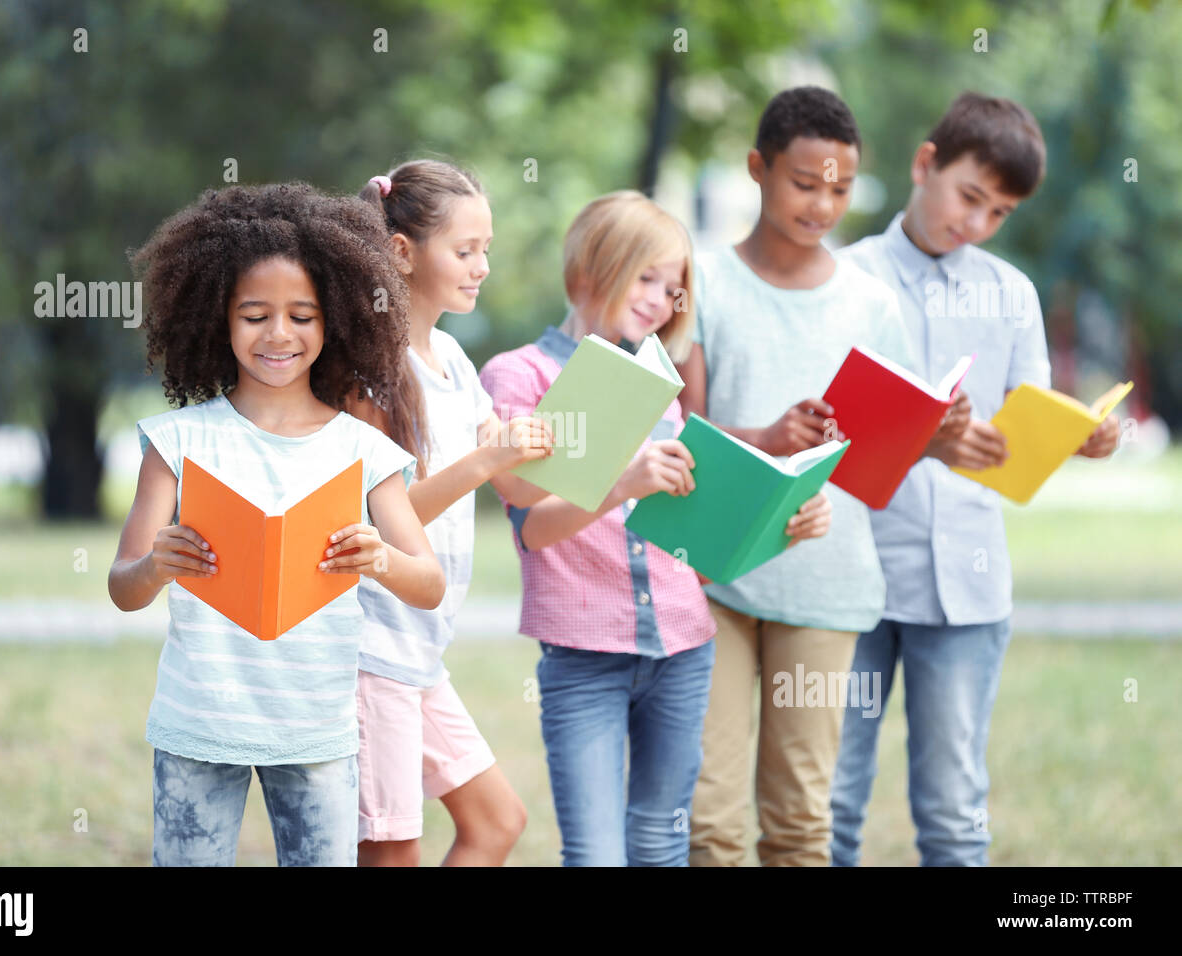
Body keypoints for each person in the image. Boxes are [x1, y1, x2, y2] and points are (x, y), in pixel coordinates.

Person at [480, 190, 834, 866]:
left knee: (662, 843)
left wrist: (782, 525)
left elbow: (691, 548)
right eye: (647, 276)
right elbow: (531, 527)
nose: (661, 299)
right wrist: (626, 481)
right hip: (584, 656)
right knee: (596, 854)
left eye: (673, 289)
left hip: (682, 649)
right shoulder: (519, 376)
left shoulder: (657, 386)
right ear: (591, 266)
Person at [108, 182, 445, 866]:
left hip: (317, 728)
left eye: (303, 315)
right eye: (254, 315)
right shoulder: (175, 443)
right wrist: (156, 566)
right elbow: (122, 586)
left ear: (337, 321)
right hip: (199, 723)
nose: (279, 335)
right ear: (215, 319)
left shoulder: (364, 452)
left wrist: (378, 558)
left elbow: (429, 584)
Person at [830, 92, 1120, 867]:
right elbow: (822, 431)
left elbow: (1029, 426)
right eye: (969, 197)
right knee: (828, 807)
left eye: (999, 213)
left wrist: (1079, 439)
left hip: (966, 585)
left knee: (955, 812)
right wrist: (920, 435)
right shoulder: (843, 279)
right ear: (925, 164)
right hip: (852, 579)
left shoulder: (1011, 293)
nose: (977, 224)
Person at [678, 86, 918, 866]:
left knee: (800, 820)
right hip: (715, 578)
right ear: (757, 168)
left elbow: (883, 457)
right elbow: (682, 433)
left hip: (826, 583)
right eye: (804, 183)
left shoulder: (873, 305)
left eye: (841, 189)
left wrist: (924, 430)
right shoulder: (703, 284)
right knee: (709, 820)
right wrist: (771, 438)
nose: (823, 204)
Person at [350, 159, 554, 866]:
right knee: (391, 851)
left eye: (486, 251)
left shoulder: (456, 362)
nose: (482, 267)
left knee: (497, 822)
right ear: (403, 253)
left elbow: (512, 478)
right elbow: (380, 517)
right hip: (371, 649)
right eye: (465, 251)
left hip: (419, 653)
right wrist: (484, 462)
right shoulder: (373, 368)